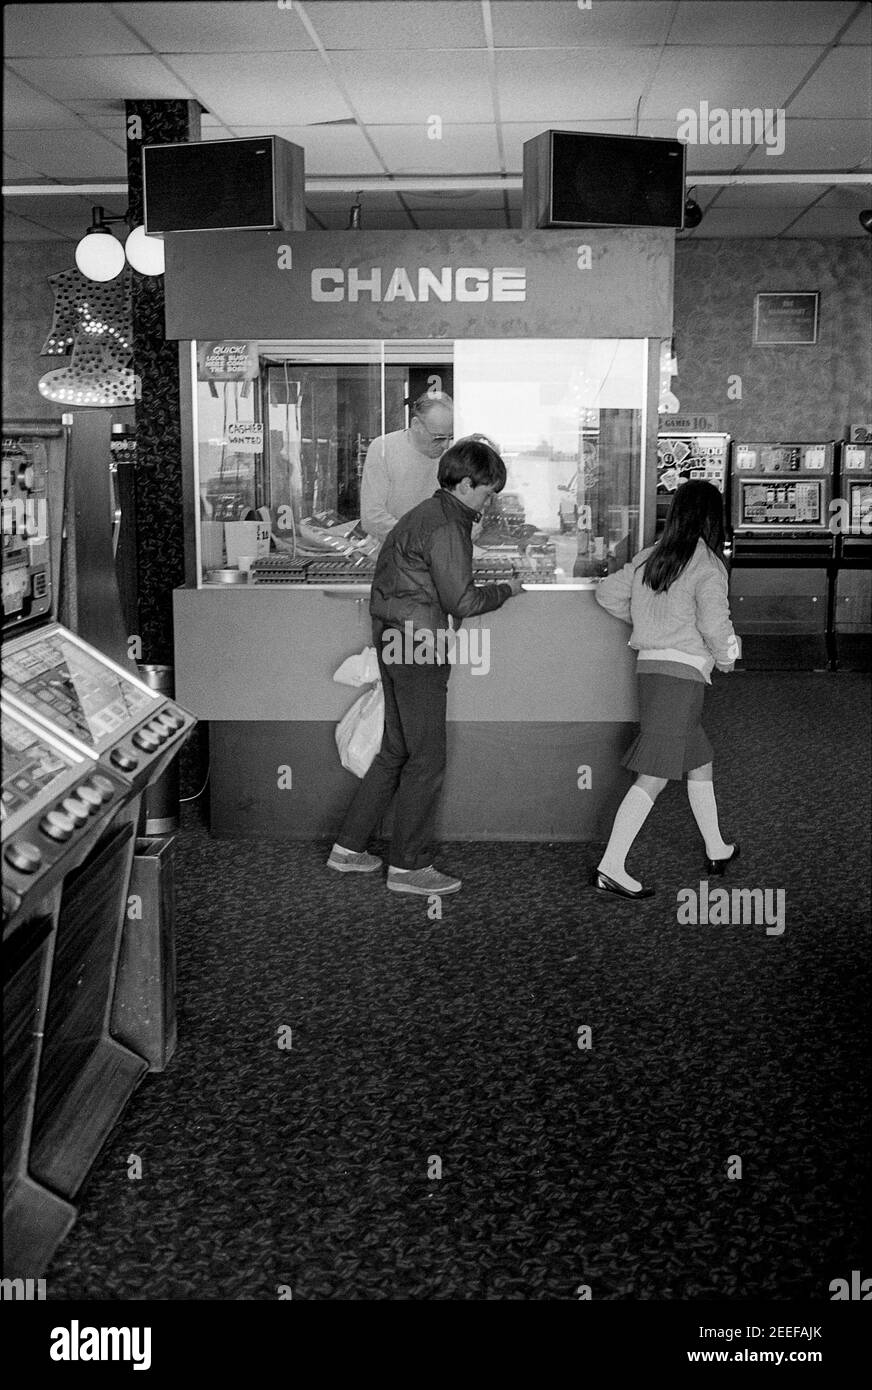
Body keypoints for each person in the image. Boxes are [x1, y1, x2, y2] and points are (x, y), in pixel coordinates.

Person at [328, 436, 524, 896]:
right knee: (427, 758)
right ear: (465, 484)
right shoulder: (447, 525)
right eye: (487, 491)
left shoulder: (423, 514)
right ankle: (408, 867)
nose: (488, 501)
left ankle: (348, 848)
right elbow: (462, 600)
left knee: (396, 751)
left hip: (393, 637)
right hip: (420, 645)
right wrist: (507, 590)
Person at [593, 480, 741, 900]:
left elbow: (606, 593)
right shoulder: (708, 565)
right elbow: (714, 623)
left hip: (651, 672)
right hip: (682, 678)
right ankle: (610, 867)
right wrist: (727, 658)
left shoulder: (651, 556)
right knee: (654, 775)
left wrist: (647, 622)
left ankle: (716, 847)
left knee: (700, 760)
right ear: (713, 519)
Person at [360, 391, 454, 542]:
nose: (445, 445)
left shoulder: (452, 455)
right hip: (393, 550)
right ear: (416, 425)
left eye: (451, 437)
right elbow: (372, 518)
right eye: (438, 438)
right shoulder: (384, 449)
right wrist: (422, 539)